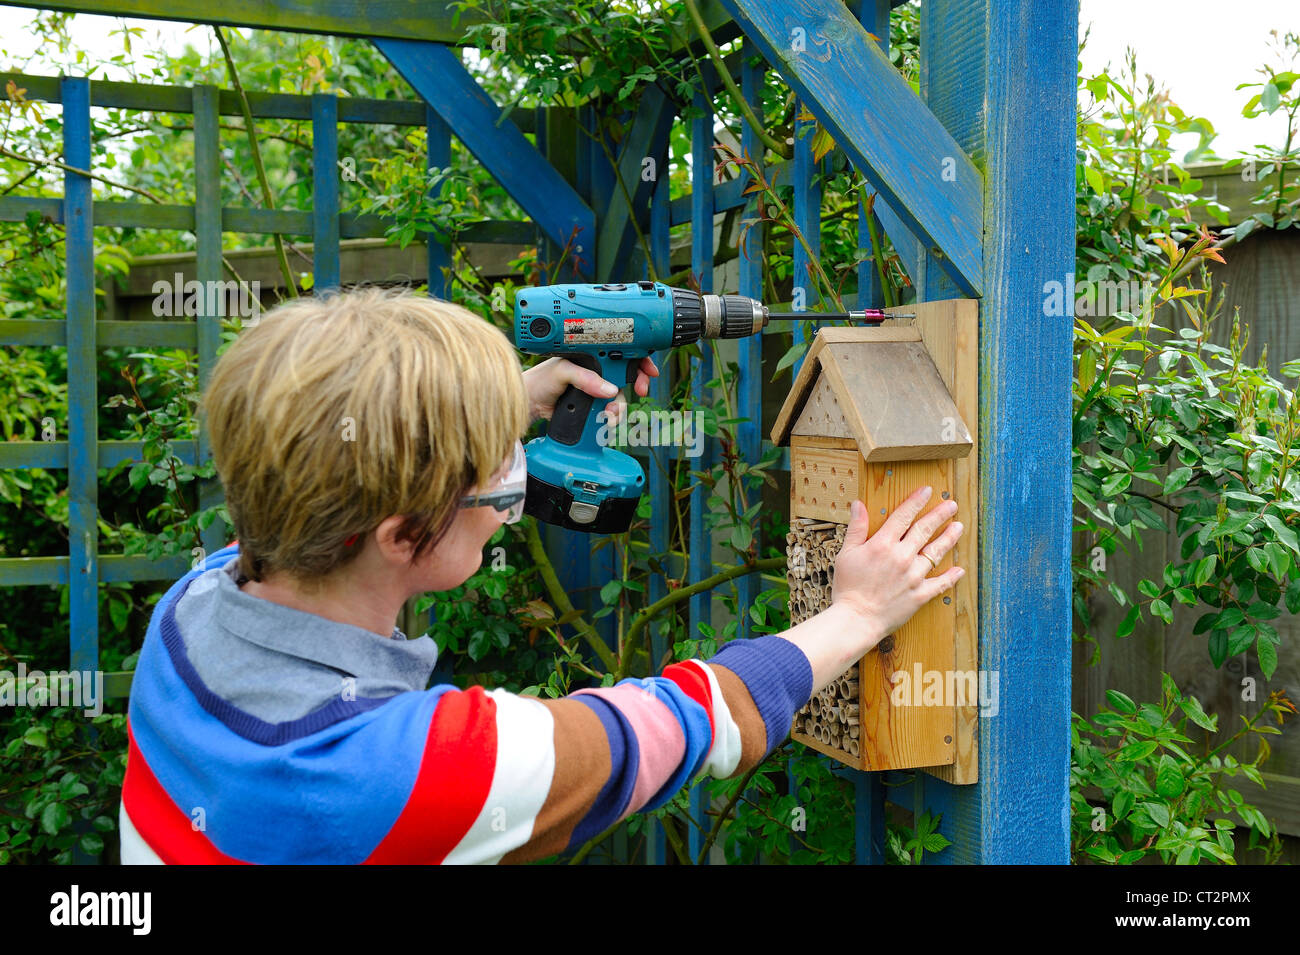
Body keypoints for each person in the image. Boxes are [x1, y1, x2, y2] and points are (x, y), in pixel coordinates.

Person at [118, 286, 963, 864]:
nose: (516, 485)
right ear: (402, 531)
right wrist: (856, 611)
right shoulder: (410, 772)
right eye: (497, 476)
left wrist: (489, 405)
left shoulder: (191, 615)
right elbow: (676, 724)